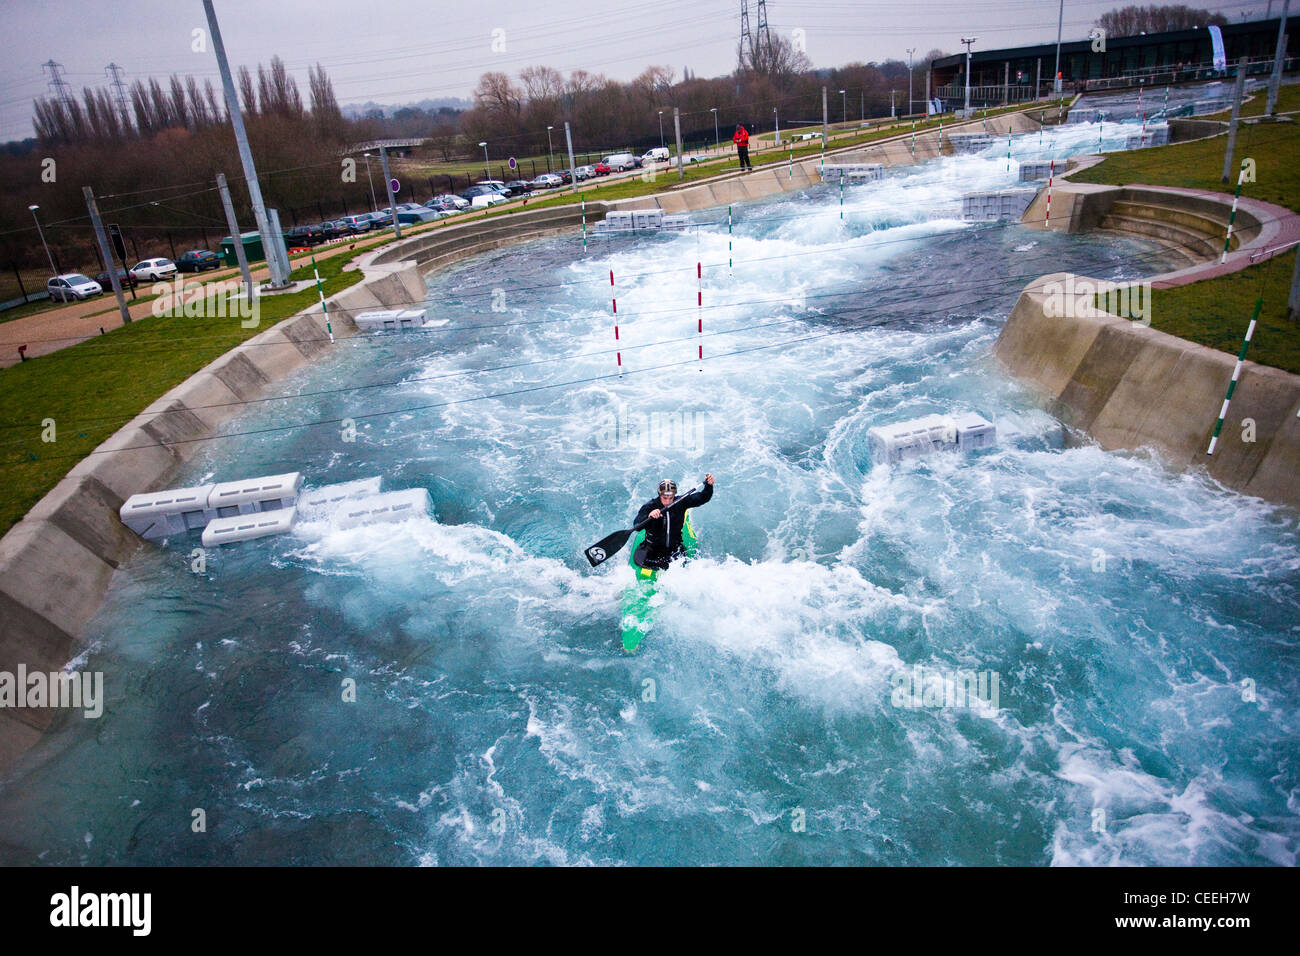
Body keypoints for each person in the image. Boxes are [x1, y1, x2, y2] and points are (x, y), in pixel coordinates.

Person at [633, 475, 715, 570]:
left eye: (671, 497)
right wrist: (648, 516)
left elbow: (703, 497)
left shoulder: (681, 502)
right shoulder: (649, 506)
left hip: (674, 549)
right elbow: (637, 525)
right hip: (652, 551)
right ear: (659, 495)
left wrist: (709, 486)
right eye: (665, 498)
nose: (668, 501)